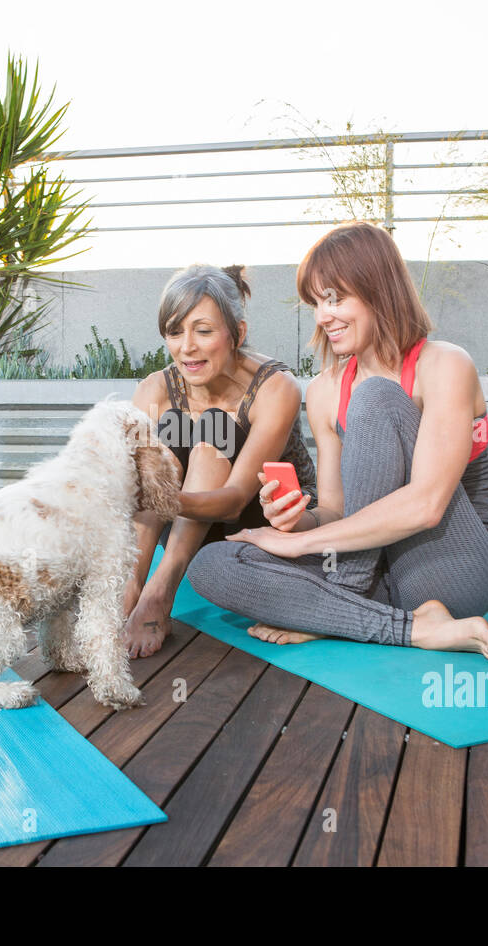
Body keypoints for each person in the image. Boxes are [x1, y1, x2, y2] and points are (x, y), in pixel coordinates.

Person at [185, 223, 488, 661]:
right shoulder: (323, 391)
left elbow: (427, 505)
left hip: (449, 568)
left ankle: (333, 607)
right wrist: (297, 522)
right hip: (374, 570)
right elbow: (337, 511)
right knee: (213, 564)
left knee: (375, 399)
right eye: (317, 302)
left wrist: (300, 546)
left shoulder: (445, 365)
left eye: (335, 298)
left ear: (379, 289)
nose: (323, 316)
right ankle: (412, 628)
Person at [122, 263, 317, 660]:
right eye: (175, 332)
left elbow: (233, 499)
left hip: (260, 521)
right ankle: (127, 593)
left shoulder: (275, 387)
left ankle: (161, 592)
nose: (186, 347)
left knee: (214, 431)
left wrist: (157, 497)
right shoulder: (155, 391)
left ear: (237, 333)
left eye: (204, 331)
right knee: (154, 458)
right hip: (185, 522)